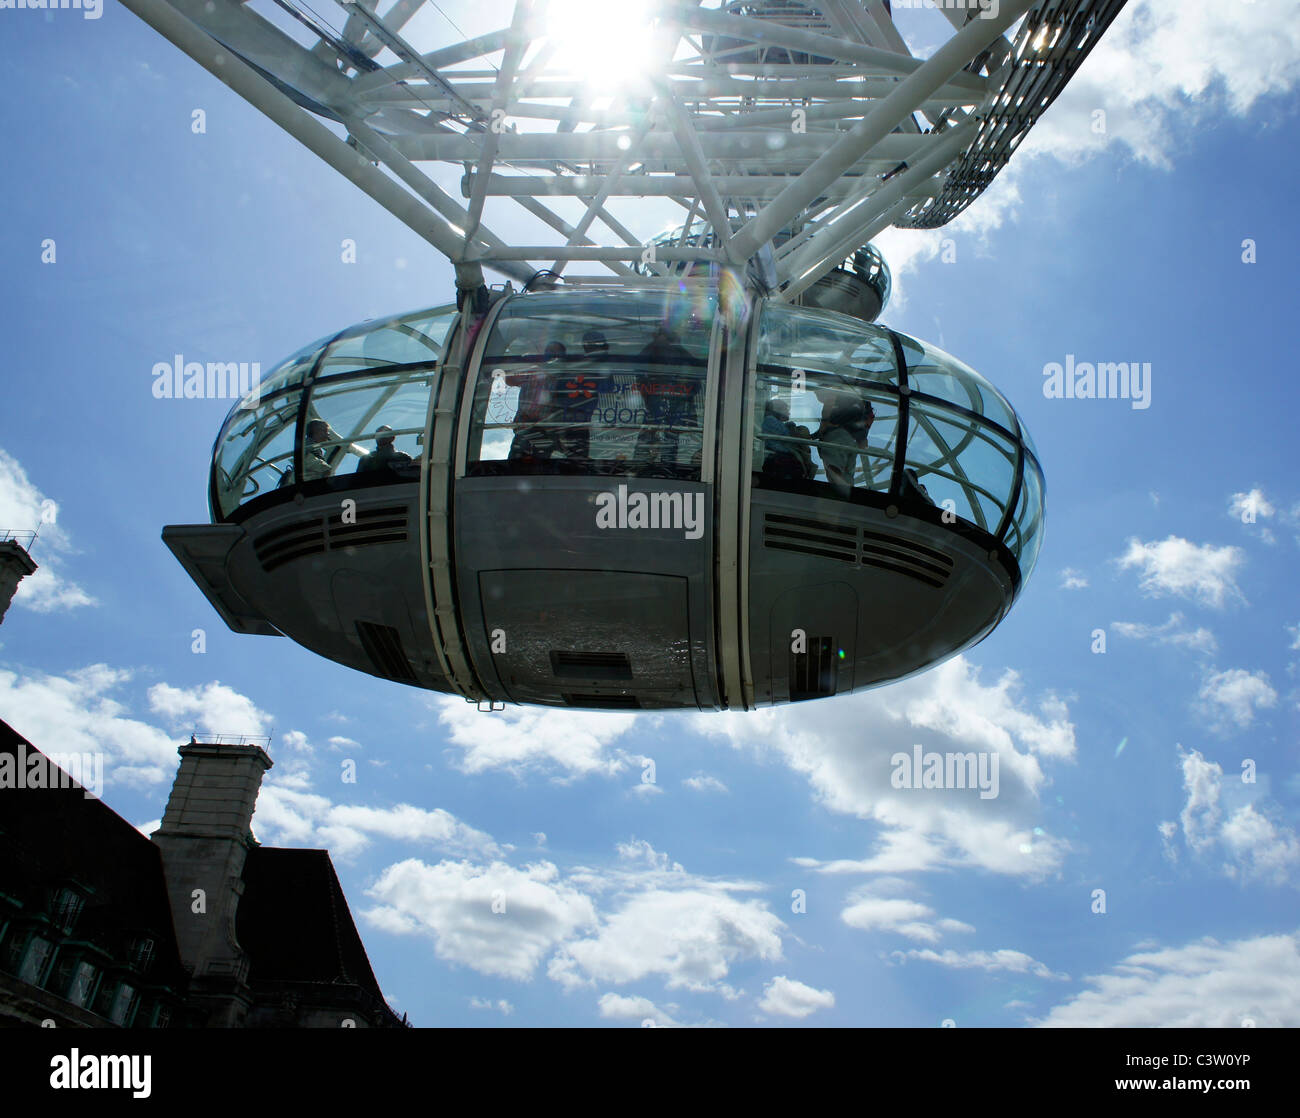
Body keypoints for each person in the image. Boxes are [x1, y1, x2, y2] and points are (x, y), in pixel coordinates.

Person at [636, 325, 699, 467]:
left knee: (651, 440)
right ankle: (664, 468)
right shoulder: (683, 354)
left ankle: (643, 467)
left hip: (660, 408)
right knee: (667, 441)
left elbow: (639, 375)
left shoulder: (650, 351)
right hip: (669, 409)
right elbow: (695, 386)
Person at [506, 342, 565, 461]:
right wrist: (522, 360)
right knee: (514, 467)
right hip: (525, 428)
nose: (552, 356)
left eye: (556, 353)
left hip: (547, 430)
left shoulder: (562, 378)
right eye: (550, 352)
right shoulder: (532, 371)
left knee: (546, 469)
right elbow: (509, 379)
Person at [814, 383, 873, 496]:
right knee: (847, 472)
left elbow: (826, 418)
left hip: (837, 437)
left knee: (833, 467)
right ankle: (848, 495)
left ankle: (840, 494)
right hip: (853, 442)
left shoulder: (832, 394)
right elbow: (865, 424)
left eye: (817, 392)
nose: (817, 396)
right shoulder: (860, 401)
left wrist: (821, 428)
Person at [760, 396, 809, 482]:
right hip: (779, 462)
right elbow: (791, 436)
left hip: (782, 461)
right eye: (786, 409)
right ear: (778, 409)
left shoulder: (776, 422)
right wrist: (791, 425)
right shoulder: (769, 420)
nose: (789, 412)